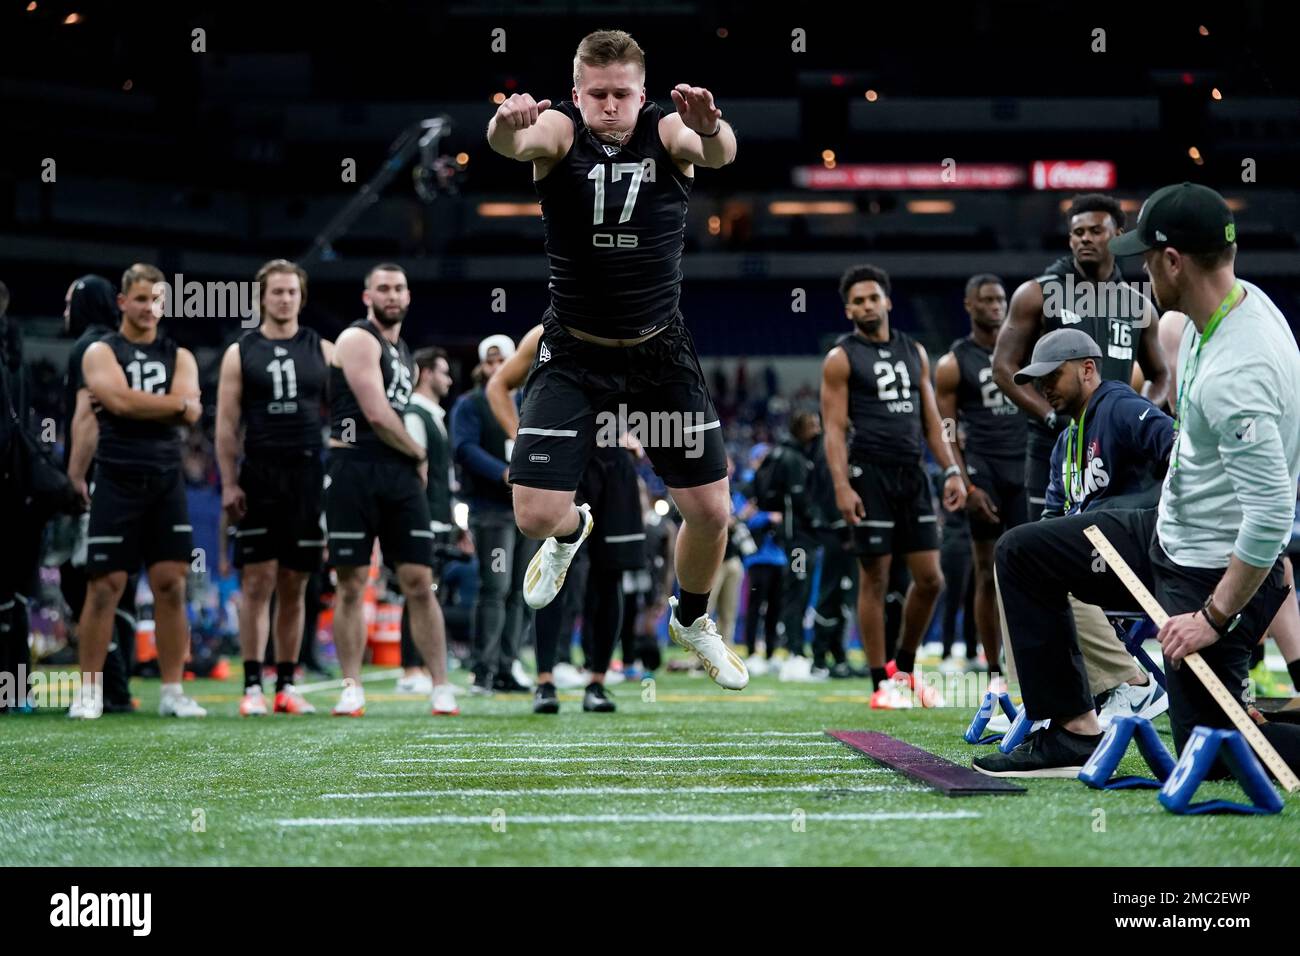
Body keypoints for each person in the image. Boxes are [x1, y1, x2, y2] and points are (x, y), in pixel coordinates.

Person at [976, 183, 1300, 777]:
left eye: (1145, 256)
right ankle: (1071, 727)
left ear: (1172, 260)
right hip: (1165, 533)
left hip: (1204, 572)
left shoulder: (1239, 365)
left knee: (1214, 757)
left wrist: (1213, 618)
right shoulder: (1226, 310)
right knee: (1023, 553)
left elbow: (1273, 513)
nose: (1138, 270)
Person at [486, 28, 746, 690]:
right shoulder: (560, 131)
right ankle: (571, 532)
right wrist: (504, 124)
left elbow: (717, 152)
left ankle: (691, 619)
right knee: (534, 516)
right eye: (596, 94)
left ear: (642, 94)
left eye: (621, 95)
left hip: (658, 348)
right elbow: (514, 143)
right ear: (576, 94)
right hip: (575, 347)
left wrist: (712, 127)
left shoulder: (666, 131)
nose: (609, 106)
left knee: (713, 511)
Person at [1008, 328, 1173, 729]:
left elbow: (1177, 450)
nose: (1044, 387)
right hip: (1098, 559)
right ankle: (1049, 700)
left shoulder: (1118, 405)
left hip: (1142, 553)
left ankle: (1133, 682)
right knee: (1017, 563)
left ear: (1087, 369)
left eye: (1052, 375)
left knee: (1044, 566)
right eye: (1038, 380)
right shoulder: (1064, 443)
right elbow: (1049, 521)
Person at [820, 264, 967, 709]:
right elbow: (833, 429)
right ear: (848, 310)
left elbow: (930, 421)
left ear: (887, 300)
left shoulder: (915, 351)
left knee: (930, 579)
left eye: (873, 297)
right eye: (858, 300)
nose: (866, 305)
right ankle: (878, 684)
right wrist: (842, 486)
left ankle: (902, 671)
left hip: (912, 474)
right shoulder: (841, 357)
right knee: (875, 577)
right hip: (870, 473)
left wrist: (952, 470)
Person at [67, 263, 205, 719]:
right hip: (116, 477)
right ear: (123, 302)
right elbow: (120, 401)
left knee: (171, 585)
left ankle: (171, 693)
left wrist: (135, 404)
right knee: (104, 586)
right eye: (141, 299)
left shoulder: (179, 354)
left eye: (157, 300)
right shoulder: (101, 350)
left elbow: (187, 412)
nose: (150, 308)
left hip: (166, 481)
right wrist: (173, 405)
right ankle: (88, 693)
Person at [325, 263, 456, 717]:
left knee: (420, 581)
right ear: (367, 296)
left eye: (399, 287)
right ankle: (351, 686)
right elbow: (377, 414)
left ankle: (440, 685)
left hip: (395, 474)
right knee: (351, 583)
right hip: (355, 466)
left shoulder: (400, 349)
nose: (392, 294)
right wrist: (418, 455)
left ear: (409, 295)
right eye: (382, 287)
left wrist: (410, 460)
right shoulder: (358, 339)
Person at [993, 194, 1170, 520]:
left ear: (1118, 234)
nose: (1084, 238)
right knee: (1045, 552)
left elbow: (1161, 375)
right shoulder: (1037, 293)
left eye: (1095, 231)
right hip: (1053, 445)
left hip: (1114, 450)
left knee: (1111, 552)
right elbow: (1003, 367)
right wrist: (1049, 416)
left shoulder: (1138, 305)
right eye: (1077, 233)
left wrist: (1138, 412)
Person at [216, 259, 330, 716]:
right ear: (262, 297)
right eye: (276, 291)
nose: (284, 299)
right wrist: (227, 482)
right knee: (258, 580)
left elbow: (347, 405)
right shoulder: (240, 351)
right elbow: (225, 425)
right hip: (259, 473)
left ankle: (286, 684)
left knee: (295, 583)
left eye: (291, 292)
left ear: (301, 297)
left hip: (306, 474)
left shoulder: (323, 349)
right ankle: (251, 687)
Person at [933, 274, 1026, 687]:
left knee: (1033, 569)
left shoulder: (1025, 350)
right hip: (984, 472)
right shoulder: (954, 362)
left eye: (1000, 299)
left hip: (1026, 467)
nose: (995, 306)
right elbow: (946, 428)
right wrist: (965, 483)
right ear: (969, 305)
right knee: (986, 570)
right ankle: (993, 672)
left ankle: (1029, 664)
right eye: (986, 300)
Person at [60, 275, 137, 712]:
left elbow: (85, 418)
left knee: (85, 585)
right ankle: (118, 686)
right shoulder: (126, 346)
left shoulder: (87, 350)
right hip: (135, 480)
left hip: (98, 482)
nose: (64, 311)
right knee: (121, 585)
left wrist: (75, 477)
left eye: (70, 302)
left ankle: (111, 686)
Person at [451, 334, 533, 694]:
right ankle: (483, 669)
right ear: (482, 366)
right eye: (490, 361)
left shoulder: (529, 401)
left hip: (527, 511)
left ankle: (506, 666)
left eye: (504, 360)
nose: (497, 368)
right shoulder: (471, 404)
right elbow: (464, 448)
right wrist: (503, 472)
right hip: (492, 510)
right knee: (496, 588)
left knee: (520, 591)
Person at [396, 346, 455, 695]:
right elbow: (417, 470)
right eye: (444, 372)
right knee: (417, 591)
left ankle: (420, 664)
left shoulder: (433, 414)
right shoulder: (415, 412)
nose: (449, 379)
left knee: (429, 593)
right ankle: (410, 667)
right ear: (428, 373)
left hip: (440, 516)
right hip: (423, 516)